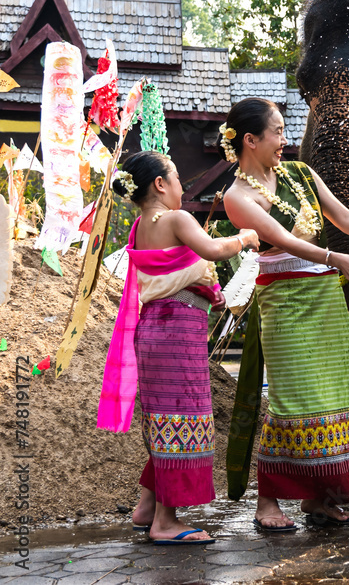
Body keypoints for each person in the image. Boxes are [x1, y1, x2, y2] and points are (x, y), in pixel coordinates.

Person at [222, 97, 349, 530]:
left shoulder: (300, 174)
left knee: (337, 394)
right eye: (279, 132)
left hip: (323, 296)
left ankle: (322, 497)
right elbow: (283, 240)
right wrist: (336, 258)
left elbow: (341, 216)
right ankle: (267, 501)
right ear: (251, 140)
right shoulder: (237, 197)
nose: (285, 140)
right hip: (285, 303)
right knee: (292, 402)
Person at [99, 151, 259, 545]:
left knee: (163, 422)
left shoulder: (140, 228)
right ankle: (166, 523)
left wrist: (207, 294)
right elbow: (213, 251)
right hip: (174, 338)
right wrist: (244, 237)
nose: (181, 188)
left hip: (155, 332)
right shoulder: (177, 218)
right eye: (176, 179)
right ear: (159, 184)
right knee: (180, 423)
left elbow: (169, 277)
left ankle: (147, 507)